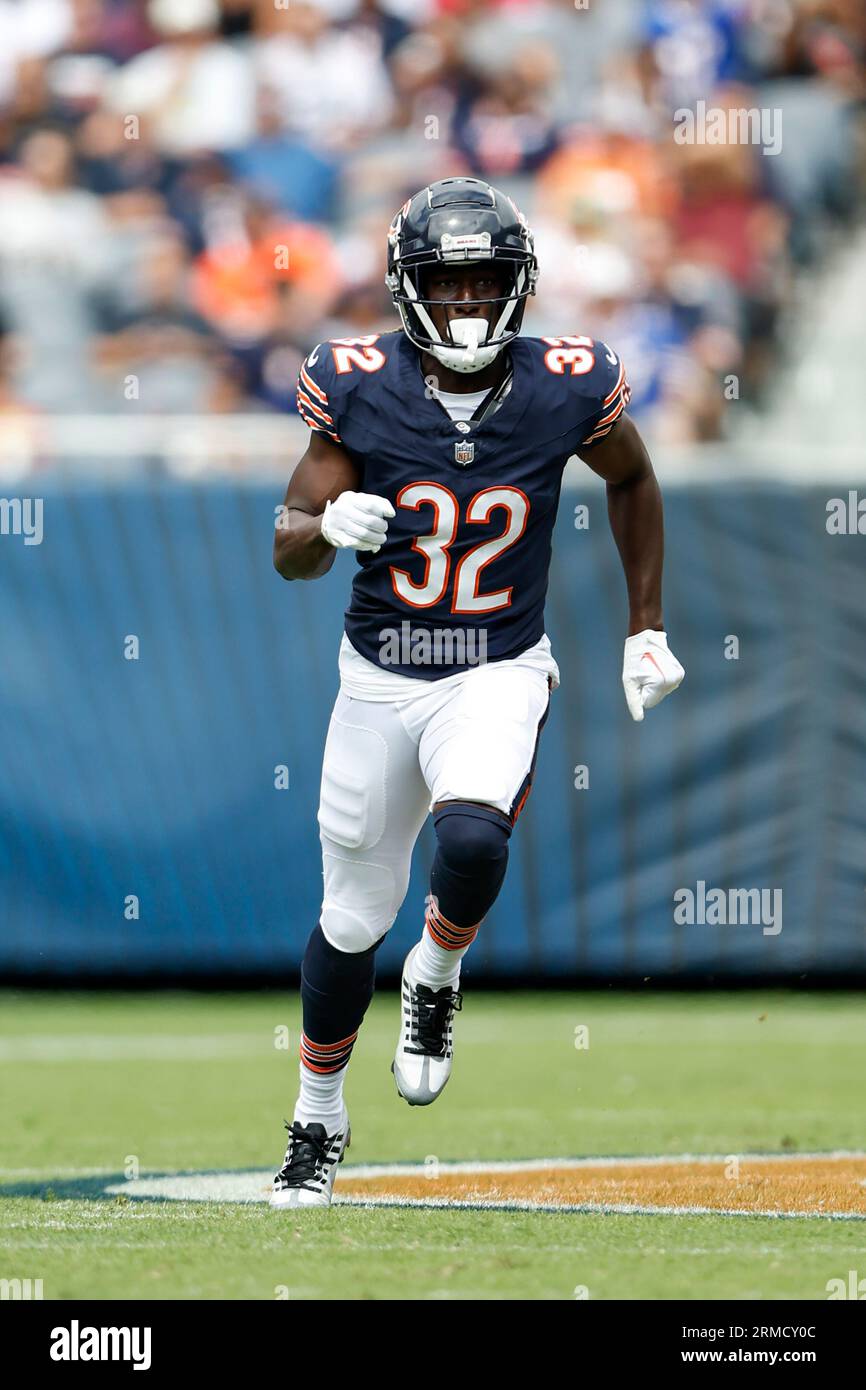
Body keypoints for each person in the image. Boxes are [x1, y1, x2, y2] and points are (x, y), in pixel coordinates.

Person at [270, 176, 684, 1207]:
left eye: (482, 284)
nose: (463, 305)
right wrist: (327, 528)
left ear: (519, 287)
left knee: (471, 841)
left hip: (495, 663)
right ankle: (317, 1115)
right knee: (352, 916)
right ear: (409, 290)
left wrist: (646, 627)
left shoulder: (566, 383)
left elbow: (630, 478)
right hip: (376, 676)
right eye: (445, 286)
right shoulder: (355, 383)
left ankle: (438, 971)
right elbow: (285, 548)